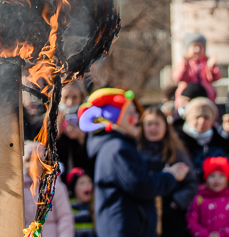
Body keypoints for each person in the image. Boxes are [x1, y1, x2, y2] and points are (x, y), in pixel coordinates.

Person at [80, 88, 189, 237]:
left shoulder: (116, 145)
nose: (137, 116)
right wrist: (170, 176)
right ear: (116, 118)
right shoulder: (117, 149)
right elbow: (141, 185)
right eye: (130, 112)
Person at [137, 106, 197, 234]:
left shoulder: (176, 152)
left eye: (157, 124)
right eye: (149, 124)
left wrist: (176, 202)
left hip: (171, 216)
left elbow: (191, 183)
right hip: (143, 214)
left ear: (165, 126)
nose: (153, 128)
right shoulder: (136, 151)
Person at [22, 141, 73, 237]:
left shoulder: (56, 187)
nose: (33, 164)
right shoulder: (20, 189)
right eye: (29, 160)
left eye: (38, 159)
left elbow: (65, 217)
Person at [186, 156, 229, 237]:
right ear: (206, 180)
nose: (217, 179)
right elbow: (191, 221)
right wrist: (205, 234)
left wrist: (223, 235)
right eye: (212, 176)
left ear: (227, 180)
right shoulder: (199, 199)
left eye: (221, 176)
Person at [173, 33, 222, 105]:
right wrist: (184, 65)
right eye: (195, 46)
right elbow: (178, 77)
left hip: (207, 96)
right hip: (188, 96)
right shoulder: (184, 62)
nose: (198, 50)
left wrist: (211, 67)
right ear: (187, 48)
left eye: (201, 47)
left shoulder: (207, 62)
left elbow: (216, 77)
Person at [65, 168, 94, 237]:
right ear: (74, 188)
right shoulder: (68, 207)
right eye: (82, 183)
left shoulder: (95, 206)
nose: (87, 185)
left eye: (89, 181)